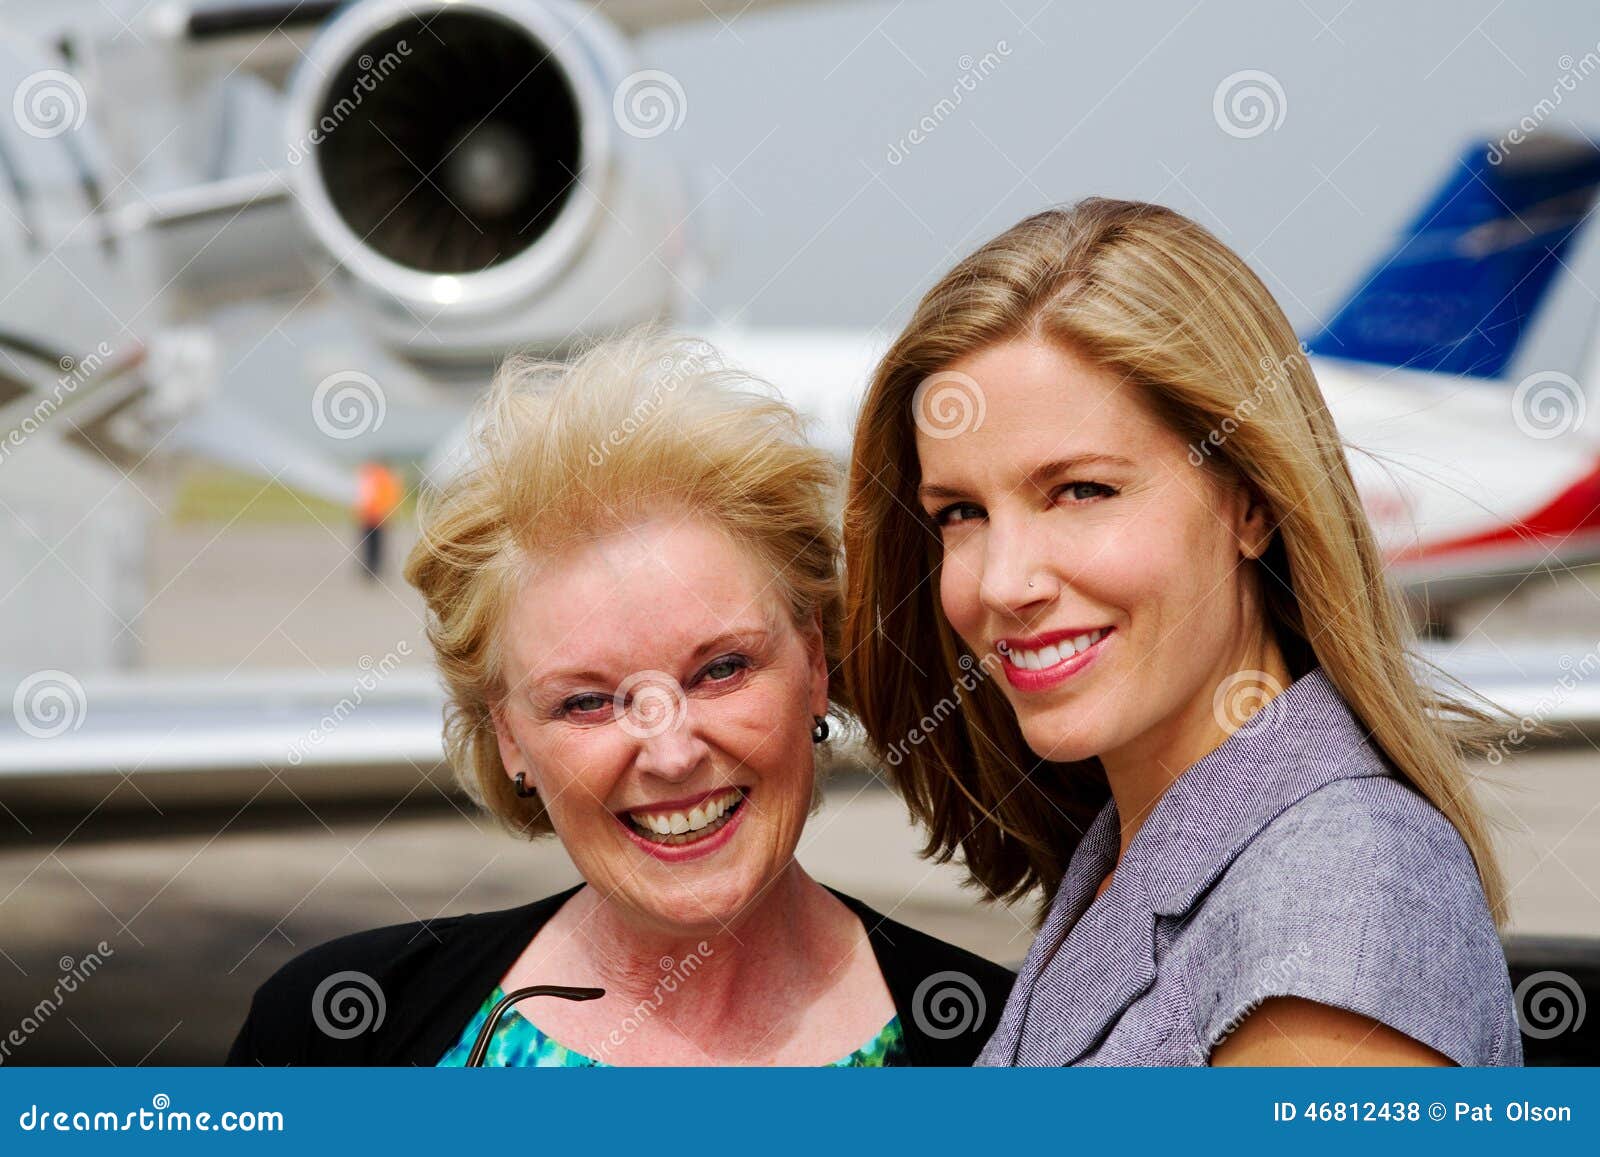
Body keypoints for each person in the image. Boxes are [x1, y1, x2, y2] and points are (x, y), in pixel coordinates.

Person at [841, 199, 1522, 1066]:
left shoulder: (1340, 892)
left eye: (1082, 491)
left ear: (1250, 500)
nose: (1005, 582)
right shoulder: (1133, 849)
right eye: (962, 512)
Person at [226, 331, 1013, 1067]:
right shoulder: (333, 1039)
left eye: (722, 669)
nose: (671, 753)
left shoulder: (1009, 1048)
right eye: (586, 702)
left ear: (814, 667)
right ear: (507, 737)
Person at [354, 460, 403, 582]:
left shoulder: (370, 478)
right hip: (375, 517)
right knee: (375, 546)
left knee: (371, 546)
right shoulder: (384, 479)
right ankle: (373, 568)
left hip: (372, 517)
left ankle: (371, 568)